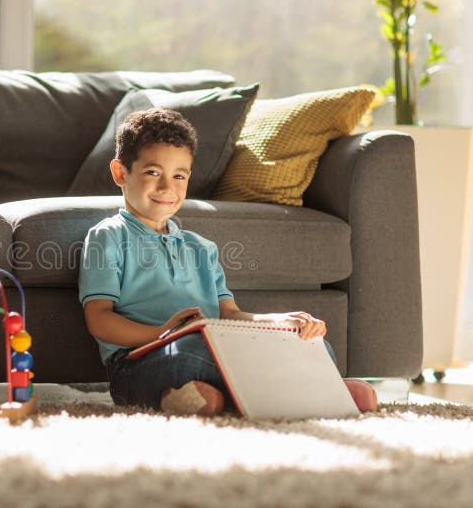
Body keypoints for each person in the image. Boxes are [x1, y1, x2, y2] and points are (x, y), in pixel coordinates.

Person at [78, 107, 377, 417]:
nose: (167, 186)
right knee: (190, 354)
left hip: (216, 348)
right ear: (120, 173)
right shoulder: (108, 237)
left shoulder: (201, 247)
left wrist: (278, 322)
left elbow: (230, 315)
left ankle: (207, 396)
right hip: (140, 361)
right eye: (153, 172)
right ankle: (306, 390)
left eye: (178, 175)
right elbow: (99, 319)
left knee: (308, 342)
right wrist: (164, 333)